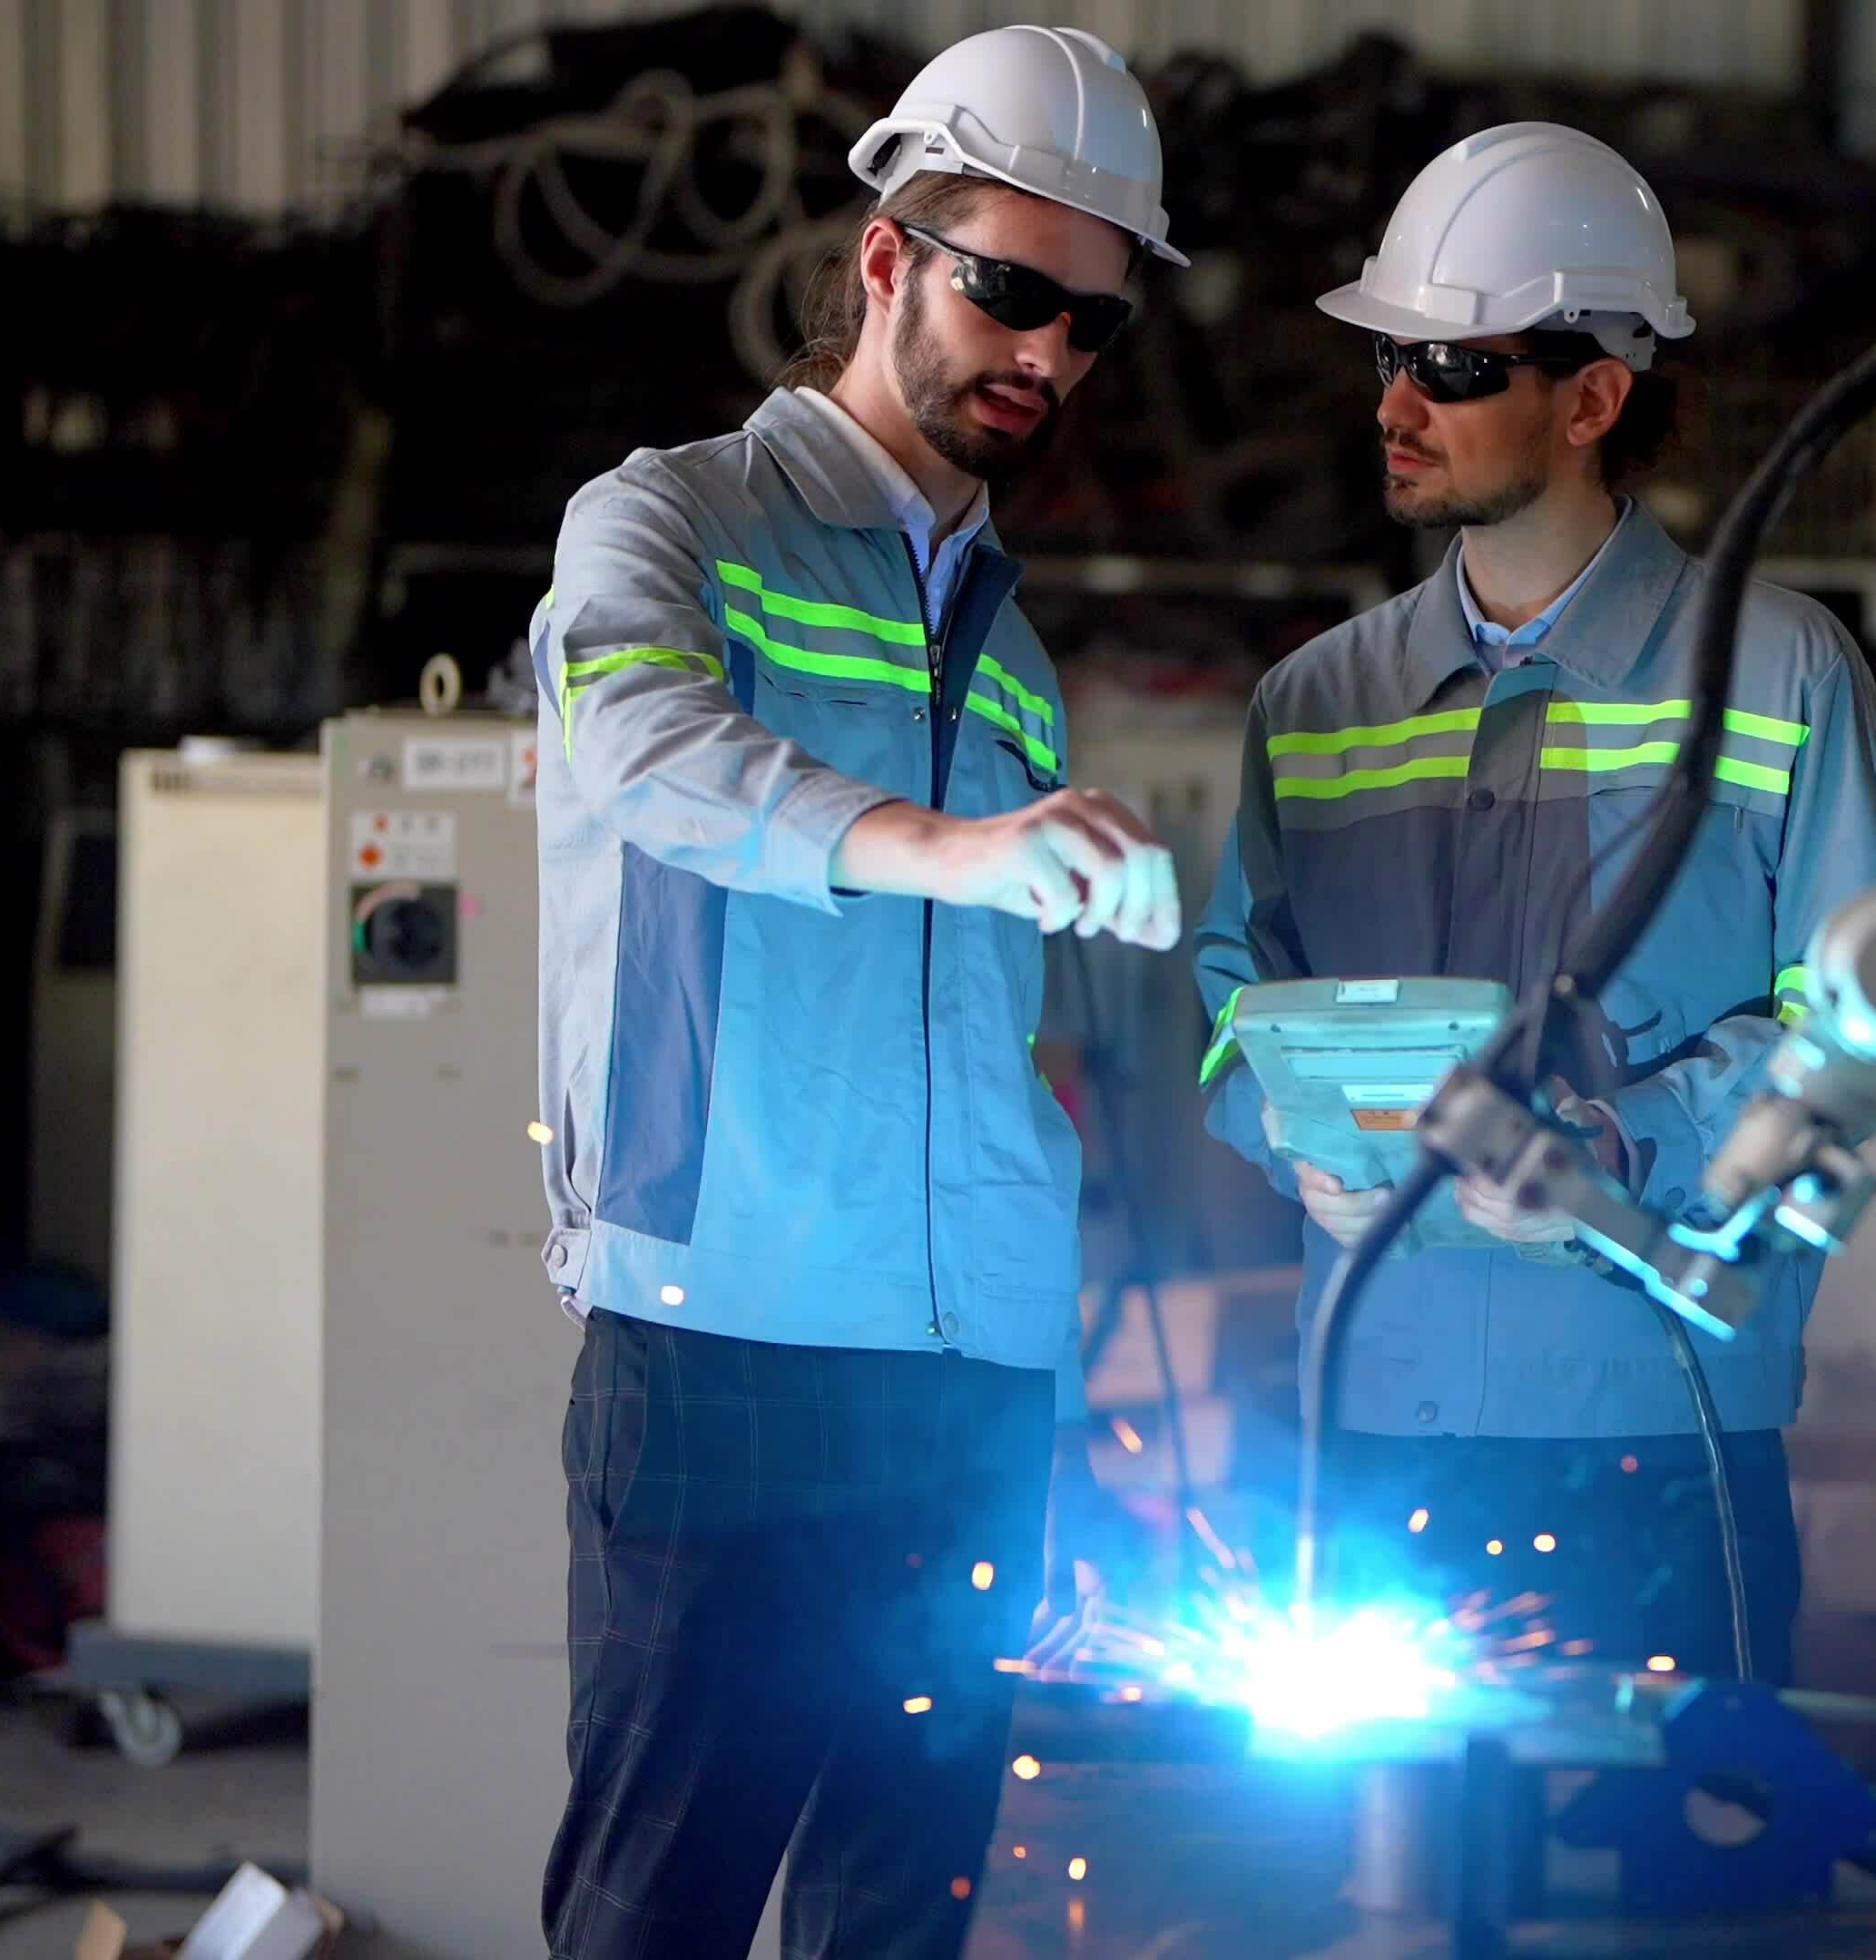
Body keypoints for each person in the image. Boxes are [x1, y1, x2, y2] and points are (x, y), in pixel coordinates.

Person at [525, 25, 1186, 1957]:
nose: (1049, 356)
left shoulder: (1012, 650)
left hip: (969, 1373)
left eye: (1090, 324)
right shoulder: (667, 523)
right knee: (665, 1915)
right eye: (1011, 292)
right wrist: (950, 843)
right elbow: (643, 757)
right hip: (725, 1337)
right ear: (889, 257)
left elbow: (980, 1019)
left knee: (900, 1919)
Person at [1191, 122, 1876, 1685]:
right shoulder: (1313, 705)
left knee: (1680, 1915)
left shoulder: (1774, 675)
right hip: (1381, 1415)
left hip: (1658, 1426)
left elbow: (1865, 1025)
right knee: (1398, 1905)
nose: (1392, 407)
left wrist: (1618, 1139)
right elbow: (1229, 998)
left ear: (1591, 398)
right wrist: (1287, 1132)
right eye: (1389, 361)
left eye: (1449, 368)